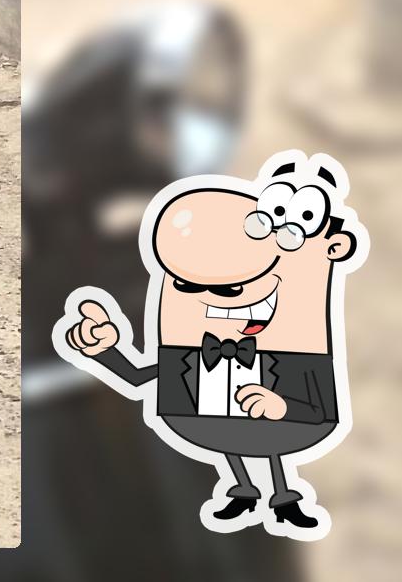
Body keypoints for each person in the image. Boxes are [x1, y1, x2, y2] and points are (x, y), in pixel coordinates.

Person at [61, 153, 365, 538]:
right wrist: (104, 349)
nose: (217, 296)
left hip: (280, 435)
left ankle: (283, 498)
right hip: (206, 430)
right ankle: (243, 489)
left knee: (267, 446)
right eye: (187, 285)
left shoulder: (300, 353)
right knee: (228, 443)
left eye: (232, 288)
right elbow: (138, 378)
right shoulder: (188, 351)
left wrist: (282, 406)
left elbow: (318, 409)